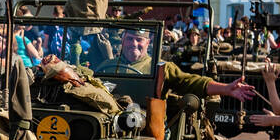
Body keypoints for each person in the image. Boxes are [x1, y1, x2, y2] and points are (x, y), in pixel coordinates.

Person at [95, 27, 257, 102]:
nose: (134, 44)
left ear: (148, 42)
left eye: (139, 40)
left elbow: (190, 82)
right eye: (130, 39)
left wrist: (226, 88)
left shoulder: (161, 67)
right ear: (123, 40)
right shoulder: (107, 66)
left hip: (145, 124)